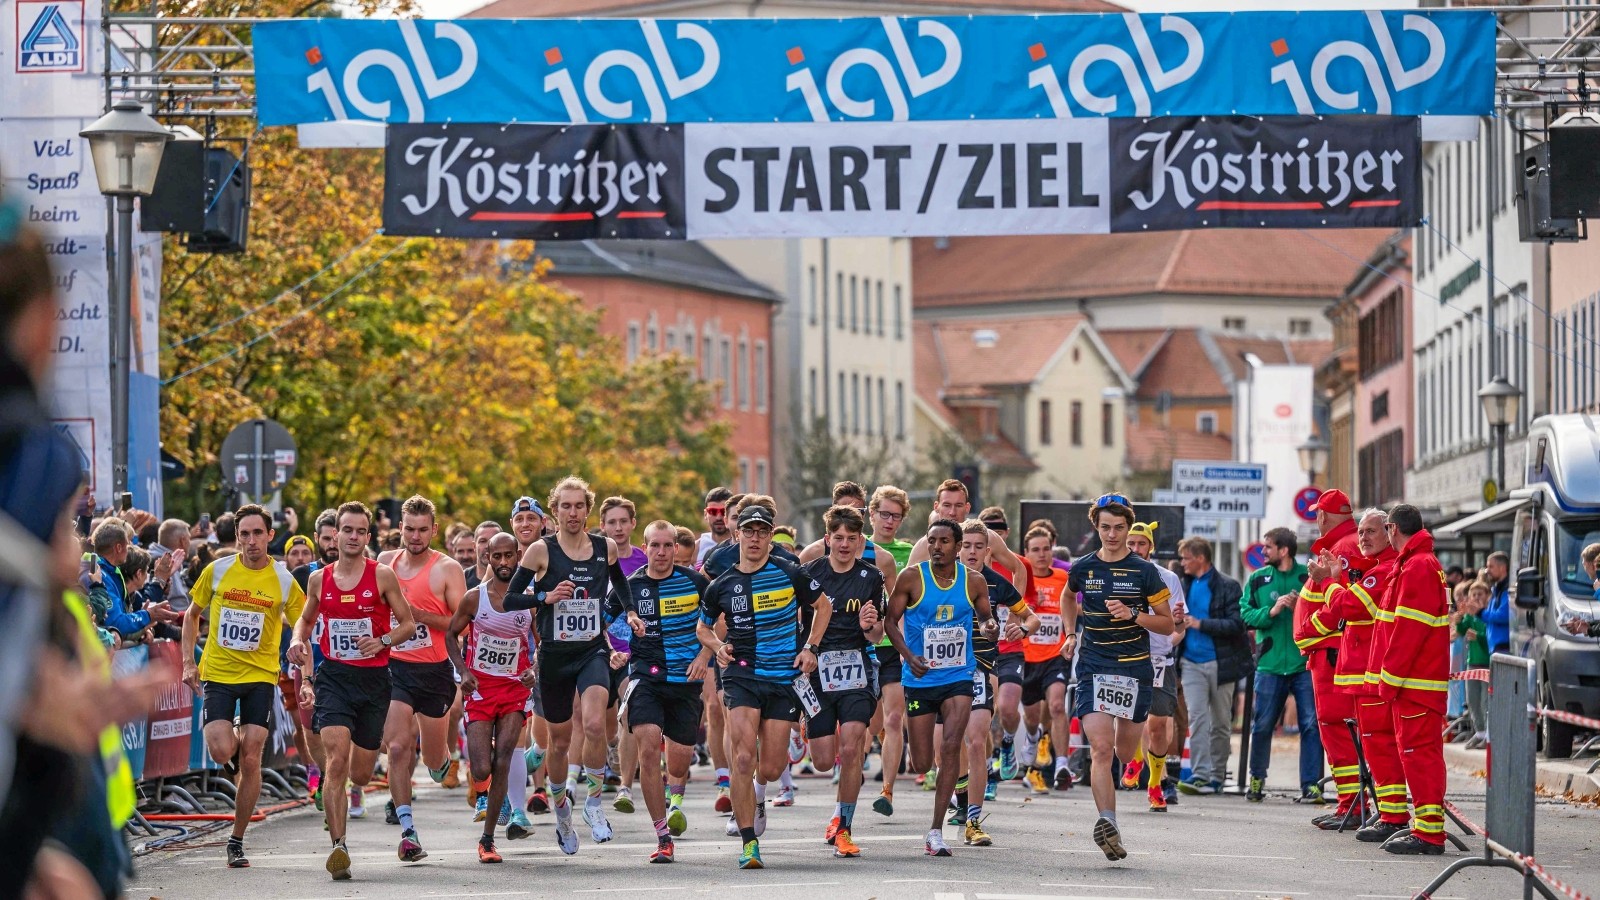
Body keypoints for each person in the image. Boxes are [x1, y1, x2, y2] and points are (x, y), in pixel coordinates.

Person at [696, 500, 831, 869]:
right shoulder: (722, 584)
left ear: (771, 536)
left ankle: (758, 793)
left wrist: (811, 647)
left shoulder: (791, 572)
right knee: (742, 757)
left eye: (762, 532)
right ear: (737, 534)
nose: (755, 538)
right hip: (741, 674)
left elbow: (823, 607)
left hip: (782, 677)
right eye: (748, 531)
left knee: (770, 767)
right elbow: (703, 628)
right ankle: (748, 843)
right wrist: (718, 647)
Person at [288, 501, 417, 881]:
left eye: (361, 531)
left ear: (368, 536)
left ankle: (349, 803)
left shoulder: (382, 576)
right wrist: (296, 640)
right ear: (336, 534)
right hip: (334, 679)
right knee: (336, 761)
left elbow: (408, 624)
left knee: (360, 774)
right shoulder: (319, 579)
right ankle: (339, 847)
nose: (354, 537)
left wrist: (382, 640)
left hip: (374, 682)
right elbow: (305, 620)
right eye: (347, 530)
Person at [503, 476, 632, 852]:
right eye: (565, 506)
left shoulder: (605, 548)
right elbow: (511, 599)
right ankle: (562, 812)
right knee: (558, 742)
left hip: (592, 651)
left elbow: (620, 584)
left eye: (579, 506)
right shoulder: (539, 551)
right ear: (554, 512)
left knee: (593, 724)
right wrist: (544, 597)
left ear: (587, 510)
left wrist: (631, 612)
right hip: (555, 656)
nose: (572, 513)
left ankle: (594, 804)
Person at [180, 504, 306, 868]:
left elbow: (303, 621)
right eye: (245, 534)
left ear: (270, 535)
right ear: (237, 537)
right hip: (219, 673)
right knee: (222, 752)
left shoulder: (283, 580)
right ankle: (233, 736)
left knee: (251, 757)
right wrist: (188, 662)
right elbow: (191, 615)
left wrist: (299, 645)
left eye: (258, 533)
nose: (251, 541)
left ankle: (236, 839)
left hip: (260, 676)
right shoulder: (218, 570)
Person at [1067, 495, 1174, 860]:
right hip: (1094, 667)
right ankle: (1108, 822)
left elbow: (1167, 623)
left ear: (1128, 528)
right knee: (1100, 749)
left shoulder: (1144, 572)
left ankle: (1133, 763)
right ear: (1095, 527)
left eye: (1119, 528)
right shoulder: (1084, 567)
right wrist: (1070, 634)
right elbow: (1068, 596)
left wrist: (1134, 615)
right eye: (1105, 527)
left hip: (1133, 670)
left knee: (1124, 752)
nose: (1112, 535)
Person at [886, 518, 995, 858]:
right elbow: (890, 621)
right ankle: (929, 770)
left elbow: (985, 618)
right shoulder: (911, 577)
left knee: (950, 747)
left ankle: (936, 831)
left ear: (957, 546)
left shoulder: (973, 581)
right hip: (920, 678)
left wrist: (990, 627)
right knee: (921, 763)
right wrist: (908, 656)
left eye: (944, 541)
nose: (936, 546)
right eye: (932, 540)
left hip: (959, 675)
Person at [375, 496, 469, 861]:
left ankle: (442, 760)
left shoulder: (447, 569)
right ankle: (408, 831)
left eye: (423, 530)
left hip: (434, 671)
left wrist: (418, 616)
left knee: (432, 761)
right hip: (394, 667)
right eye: (409, 529)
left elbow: (462, 624)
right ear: (400, 528)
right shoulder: (385, 563)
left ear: (434, 530)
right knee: (398, 748)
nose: (415, 537)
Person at [613, 520, 713, 863]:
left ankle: (675, 798)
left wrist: (705, 655)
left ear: (676, 548)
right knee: (648, 748)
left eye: (667, 545)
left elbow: (720, 619)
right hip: (646, 678)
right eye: (654, 545)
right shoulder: (631, 586)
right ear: (645, 548)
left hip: (686, 682)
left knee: (679, 762)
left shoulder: (695, 582)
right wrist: (612, 651)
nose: (661, 552)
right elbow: (601, 619)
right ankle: (662, 836)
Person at [1306, 509, 1403, 839]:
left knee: (1380, 744)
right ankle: (1387, 813)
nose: (1363, 538)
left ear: (1389, 532)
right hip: (1362, 670)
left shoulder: (1384, 570)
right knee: (1374, 744)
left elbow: (1348, 606)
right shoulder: (1377, 568)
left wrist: (1329, 580)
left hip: (1369, 671)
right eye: (1361, 531)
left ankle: (1392, 816)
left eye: (1371, 531)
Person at [801, 505, 886, 858]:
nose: (845, 544)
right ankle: (809, 725)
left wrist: (869, 626)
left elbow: (877, 634)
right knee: (823, 760)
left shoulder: (871, 577)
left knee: (852, 748)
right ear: (827, 539)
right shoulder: (809, 574)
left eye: (852, 538)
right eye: (838, 538)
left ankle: (844, 826)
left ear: (860, 540)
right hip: (817, 671)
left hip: (856, 669)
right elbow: (796, 623)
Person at [444, 532, 535, 863]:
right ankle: (486, 785)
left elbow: (545, 644)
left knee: (503, 760)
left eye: (509, 555)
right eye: (497, 556)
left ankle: (488, 839)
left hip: (514, 690)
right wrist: (463, 672)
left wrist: (535, 669)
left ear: (518, 556)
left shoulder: (529, 600)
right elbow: (451, 635)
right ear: (488, 558)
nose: (503, 562)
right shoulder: (474, 598)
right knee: (482, 768)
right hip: (481, 690)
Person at [1371, 504, 1451, 856]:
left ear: (1392, 528)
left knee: (1420, 757)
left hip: (1415, 685)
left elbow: (1408, 633)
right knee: (1416, 756)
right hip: (1415, 685)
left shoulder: (1418, 566)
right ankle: (1426, 829)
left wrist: (1388, 680)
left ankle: (1429, 835)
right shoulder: (1415, 563)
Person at [957, 519, 1036, 843]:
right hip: (940, 672)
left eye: (979, 546)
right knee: (936, 751)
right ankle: (958, 796)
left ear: (988, 551)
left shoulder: (995, 583)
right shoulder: (936, 579)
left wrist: (1022, 628)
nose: (972, 552)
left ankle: (973, 820)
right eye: (966, 545)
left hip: (979, 669)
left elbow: (1030, 616)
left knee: (976, 741)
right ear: (956, 548)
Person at [1292, 489, 1366, 820]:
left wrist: (1308, 629)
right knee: (1339, 728)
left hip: (1332, 653)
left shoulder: (1343, 548)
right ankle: (1352, 804)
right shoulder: (1344, 545)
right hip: (1331, 651)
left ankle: (1351, 806)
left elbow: (1344, 605)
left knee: (1337, 727)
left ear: (1322, 516)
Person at [1240, 528, 1319, 803]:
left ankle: (1311, 785)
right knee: (1262, 725)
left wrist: (1300, 608)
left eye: (1268, 547)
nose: (1263, 551)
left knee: (1311, 725)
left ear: (1283, 550)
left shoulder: (1308, 577)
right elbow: (1244, 615)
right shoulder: (1257, 578)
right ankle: (1256, 779)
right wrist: (1271, 612)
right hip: (1269, 665)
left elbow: (1326, 613)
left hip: (1304, 664)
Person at [1176, 536, 1249, 796]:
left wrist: (1200, 624)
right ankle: (1200, 774)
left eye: (1186, 558)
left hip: (1221, 663)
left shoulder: (1228, 585)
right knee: (1197, 718)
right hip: (1190, 662)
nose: (1182, 563)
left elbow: (1236, 624)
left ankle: (1217, 776)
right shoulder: (1181, 584)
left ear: (1200, 558)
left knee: (1220, 722)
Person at [866, 484, 915, 817]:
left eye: (896, 516)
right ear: (872, 514)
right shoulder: (857, 546)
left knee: (895, 717)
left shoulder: (908, 552)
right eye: (884, 514)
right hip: (864, 646)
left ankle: (887, 790)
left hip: (894, 646)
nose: (889, 521)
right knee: (868, 724)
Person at [1017, 524, 1075, 793]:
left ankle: (1062, 764)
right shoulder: (1021, 579)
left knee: (1057, 705)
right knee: (1031, 717)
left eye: (1046, 549)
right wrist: (1030, 604)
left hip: (1056, 654)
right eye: (1036, 550)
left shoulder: (1063, 577)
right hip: (1027, 656)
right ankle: (1034, 737)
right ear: (1026, 553)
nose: (1042, 554)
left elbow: (1076, 606)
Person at [1454, 580, 1492, 748]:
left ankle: (1488, 733)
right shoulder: (1470, 615)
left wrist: (1479, 636)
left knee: (1485, 700)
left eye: (1480, 594)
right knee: (1472, 699)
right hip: (1473, 663)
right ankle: (1479, 731)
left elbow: (1489, 639)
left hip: (1486, 663)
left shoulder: (1487, 616)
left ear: (1487, 596)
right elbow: (1462, 631)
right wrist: (1459, 620)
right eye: (1473, 595)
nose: (1476, 597)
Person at [1480, 551, 1512, 655]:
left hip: (1503, 646)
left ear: (1502, 568)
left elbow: (1504, 616)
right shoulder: (1496, 589)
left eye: (1491, 567)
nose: (1487, 571)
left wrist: (1480, 612)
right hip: (1495, 646)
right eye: (1487, 567)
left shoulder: (1507, 590)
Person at [697, 487, 734, 563]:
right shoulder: (697, 548)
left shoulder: (742, 545)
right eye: (713, 511)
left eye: (723, 512)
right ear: (705, 514)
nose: (718, 517)